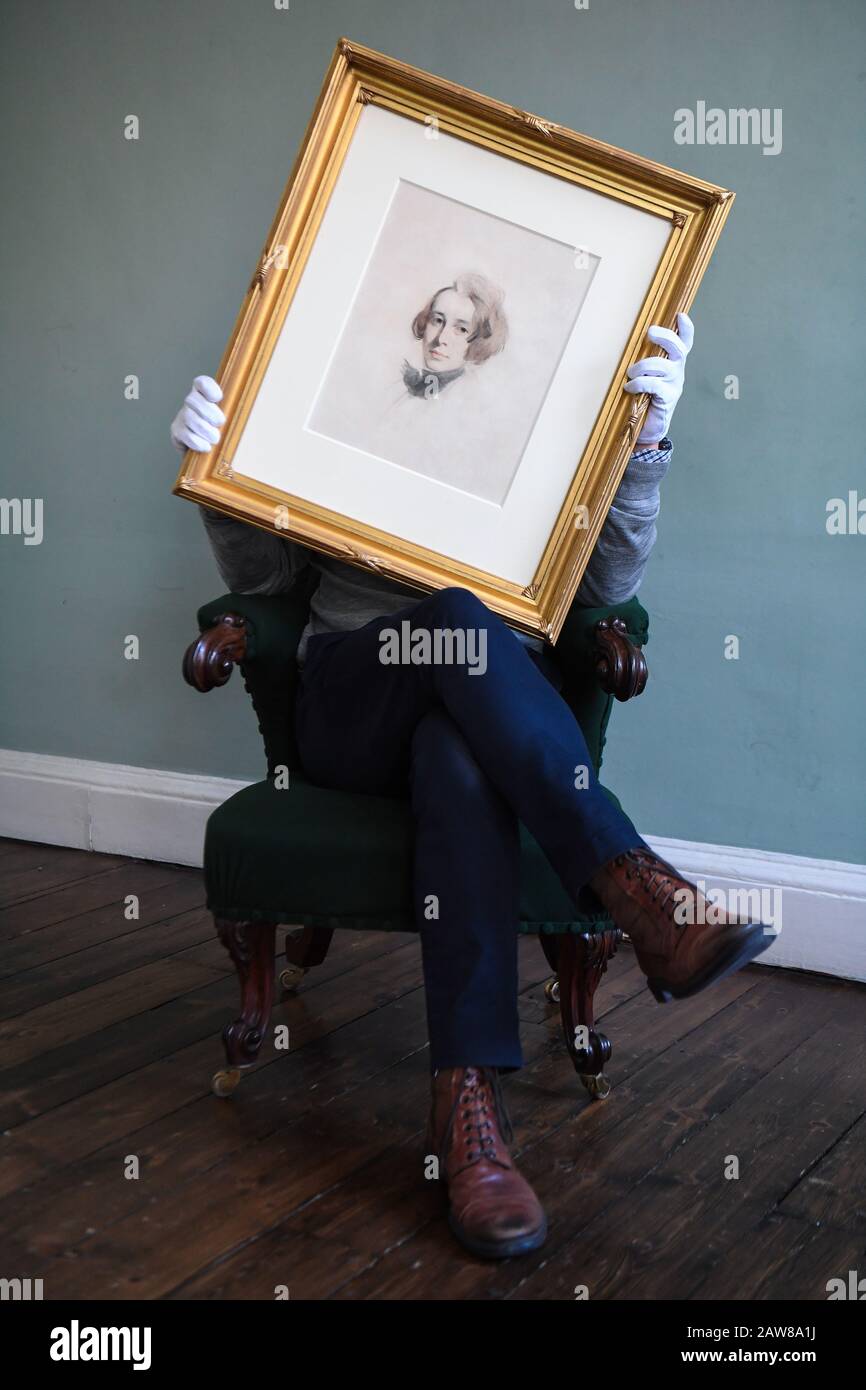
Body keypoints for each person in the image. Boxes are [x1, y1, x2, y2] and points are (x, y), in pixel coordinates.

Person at [170, 311, 771, 1260]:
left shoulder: (550, 428)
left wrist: (646, 444)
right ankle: (637, 887)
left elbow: (609, 586)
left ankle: (469, 1110)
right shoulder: (342, 403)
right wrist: (216, 482)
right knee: (453, 616)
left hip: (488, 714)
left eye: (466, 321)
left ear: (493, 339)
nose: (445, 331)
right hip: (349, 700)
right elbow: (271, 576)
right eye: (432, 315)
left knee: (459, 749)